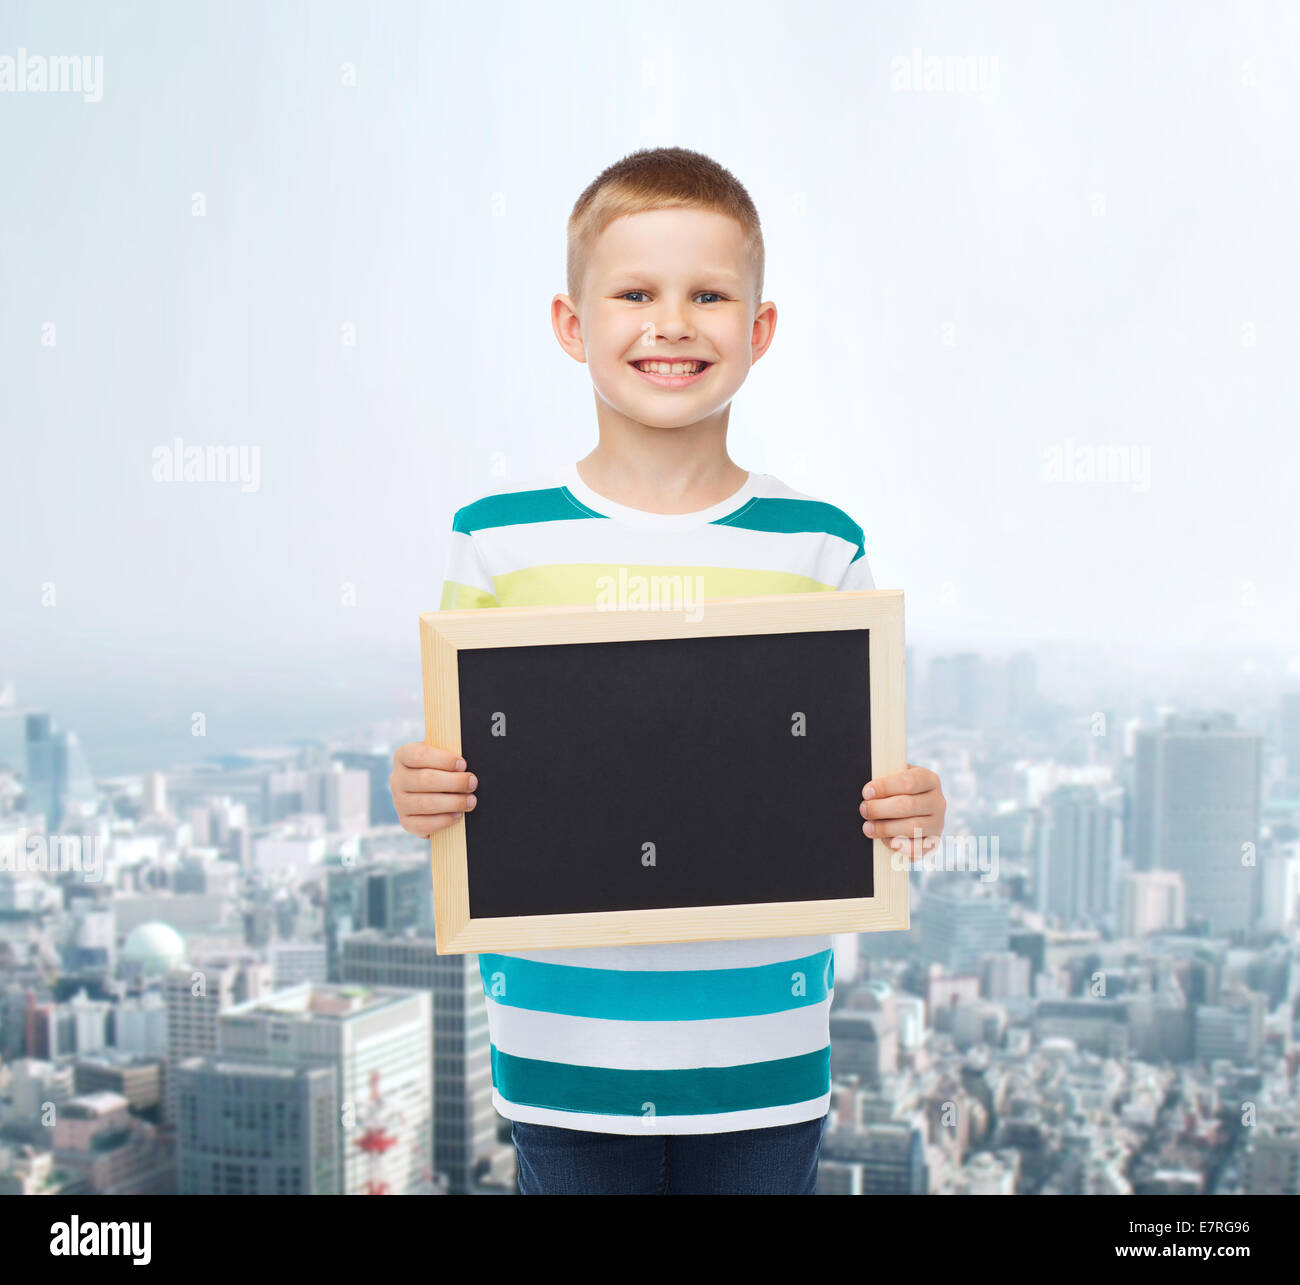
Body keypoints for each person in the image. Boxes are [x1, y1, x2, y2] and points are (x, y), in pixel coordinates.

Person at [390, 146, 946, 1194]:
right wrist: (417, 788)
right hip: (561, 1059)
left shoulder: (821, 543)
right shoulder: (494, 538)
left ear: (758, 329)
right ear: (571, 323)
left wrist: (915, 808)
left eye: (709, 294)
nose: (671, 322)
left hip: (765, 1058)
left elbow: (871, 792)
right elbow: (454, 765)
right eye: (635, 292)